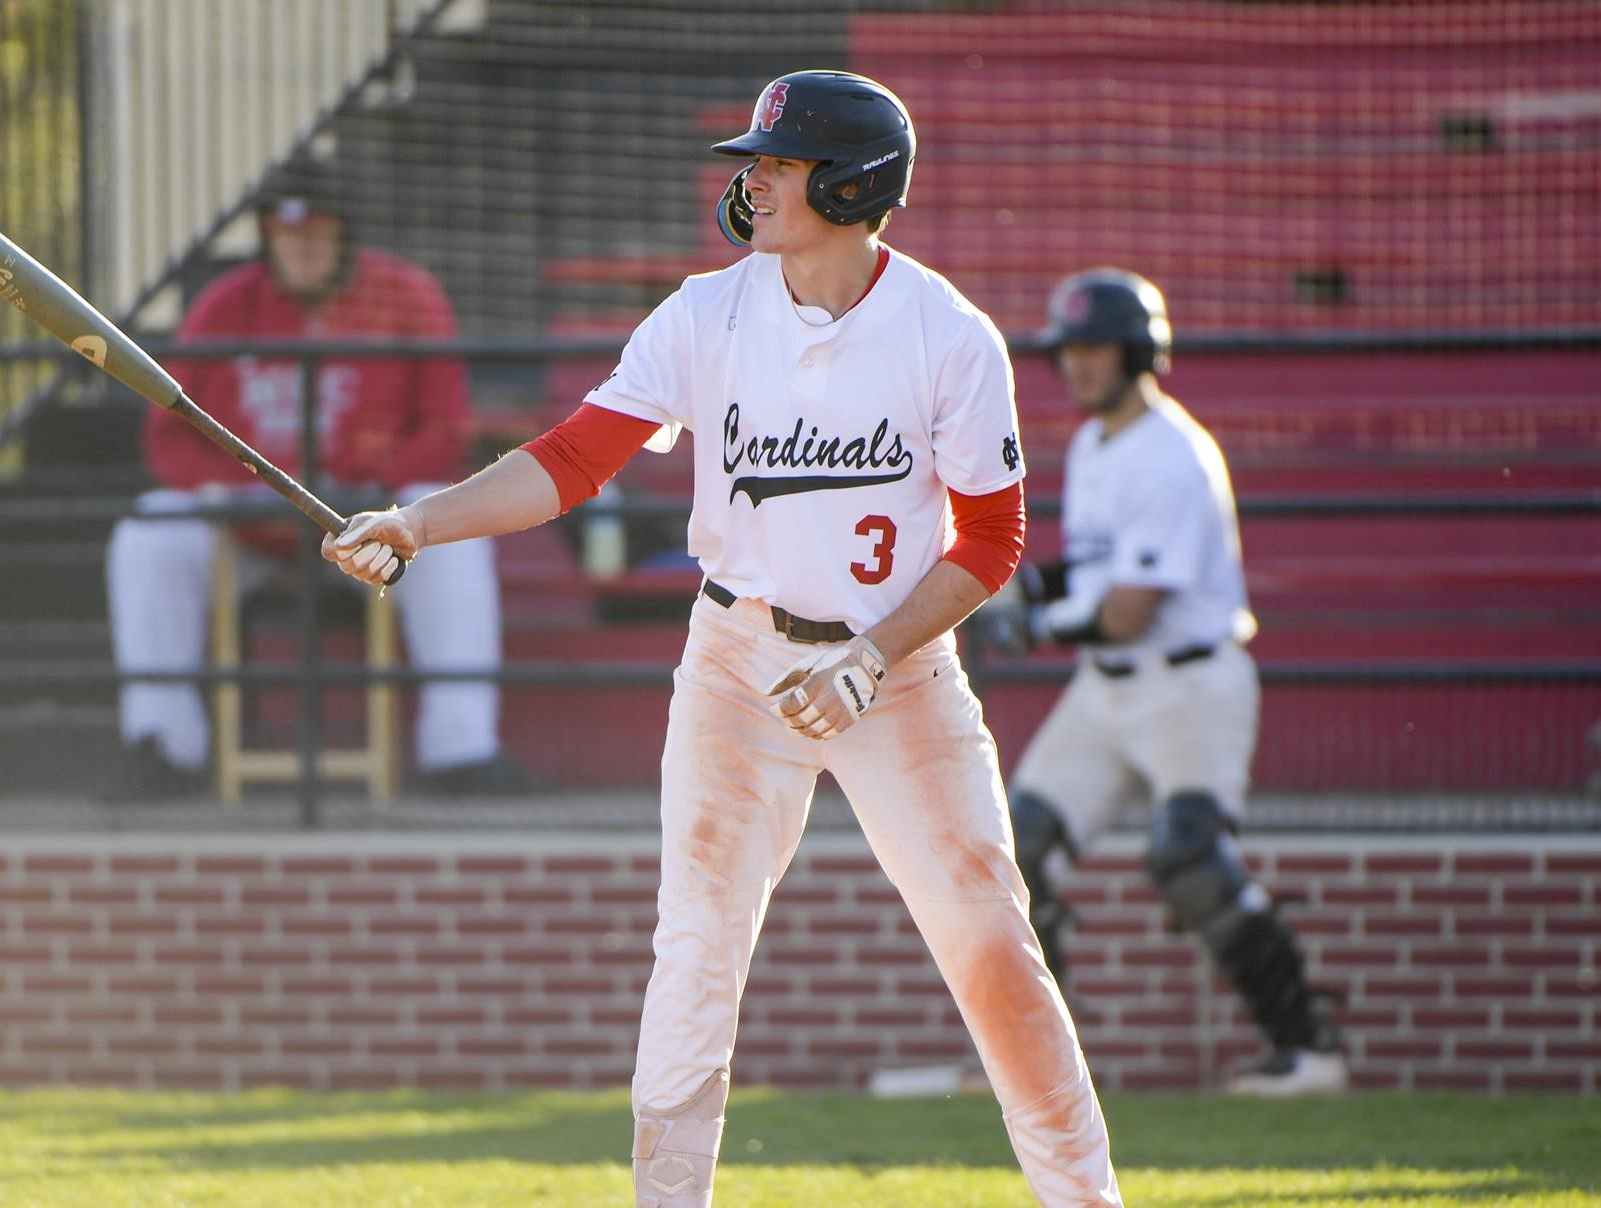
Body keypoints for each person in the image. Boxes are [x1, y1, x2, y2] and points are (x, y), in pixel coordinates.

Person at [324, 71, 1122, 1207]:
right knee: (696, 943)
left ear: (853, 185)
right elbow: (573, 459)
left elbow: (993, 538)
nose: (754, 181)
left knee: (989, 939)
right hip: (737, 662)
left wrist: (869, 656)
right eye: (755, 162)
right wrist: (416, 523)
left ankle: (1086, 1199)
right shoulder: (705, 313)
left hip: (894, 671)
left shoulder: (947, 333)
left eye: (780, 164)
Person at [994, 267, 1348, 1096]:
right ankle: (1041, 1071)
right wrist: (1017, 588)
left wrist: (1028, 622)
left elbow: (1129, 611)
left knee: (1190, 859)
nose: (1079, 363)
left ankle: (1309, 1052)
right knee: (1014, 854)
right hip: (1105, 688)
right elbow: (1096, 570)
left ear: (1139, 351)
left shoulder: (1173, 452)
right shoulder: (1096, 444)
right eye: (1069, 349)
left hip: (1189, 687)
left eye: (1097, 346)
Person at [101, 160, 533, 800]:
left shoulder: (406, 296)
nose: (302, 250)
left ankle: (462, 750)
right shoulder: (226, 305)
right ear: (267, 237)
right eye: (287, 235)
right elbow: (168, 437)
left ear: (344, 236)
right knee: (151, 527)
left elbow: (446, 431)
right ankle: (162, 747)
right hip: (249, 529)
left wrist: (369, 489)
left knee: (451, 530)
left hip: (371, 528)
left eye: (317, 234)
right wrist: (239, 493)